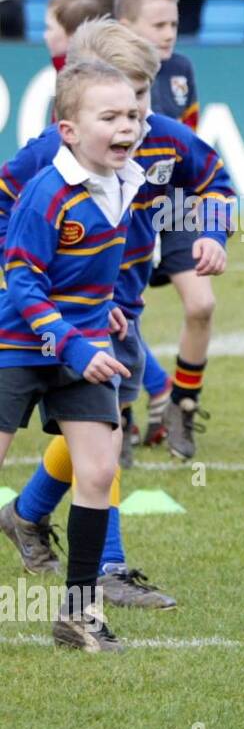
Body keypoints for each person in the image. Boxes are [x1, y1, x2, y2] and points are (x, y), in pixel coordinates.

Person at [0, 19, 233, 609]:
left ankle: (29, 515)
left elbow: (215, 181)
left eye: (141, 100)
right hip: (50, 316)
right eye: (116, 106)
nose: (132, 120)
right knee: (109, 429)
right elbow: (9, 215)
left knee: (105, 425)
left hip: (119, 305)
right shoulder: (51, 157)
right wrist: (44, 283)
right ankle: (106, 567)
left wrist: (214, 232)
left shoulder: (166, 138)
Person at [0, 60, 139, 651]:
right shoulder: (46, 192)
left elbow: (82, 268)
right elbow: (22, 277)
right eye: (109, 116)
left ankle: (78, 613)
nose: (126, 126)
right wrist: (76, 340)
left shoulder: (128, 179)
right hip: (19, 344)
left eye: (132, 114)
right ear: (69, 131)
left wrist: (100, 305)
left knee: (101, 469)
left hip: (82, 343)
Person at [115, 0, 213, 460]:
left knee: (201, 304)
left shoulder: (180, 70)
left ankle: (181, 405)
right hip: (117, 209)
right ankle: (120, 418)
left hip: (172, 204)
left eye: (174, 22)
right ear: (125, 26)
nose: (169, 32)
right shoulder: (101, 77)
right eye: (158, 24)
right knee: (115, 310)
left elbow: (189, 149)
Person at [41, 0, 115, 73]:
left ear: (75, 34)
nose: (45, 36)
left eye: (49, 28)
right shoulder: (127, 72)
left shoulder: (49, 82)